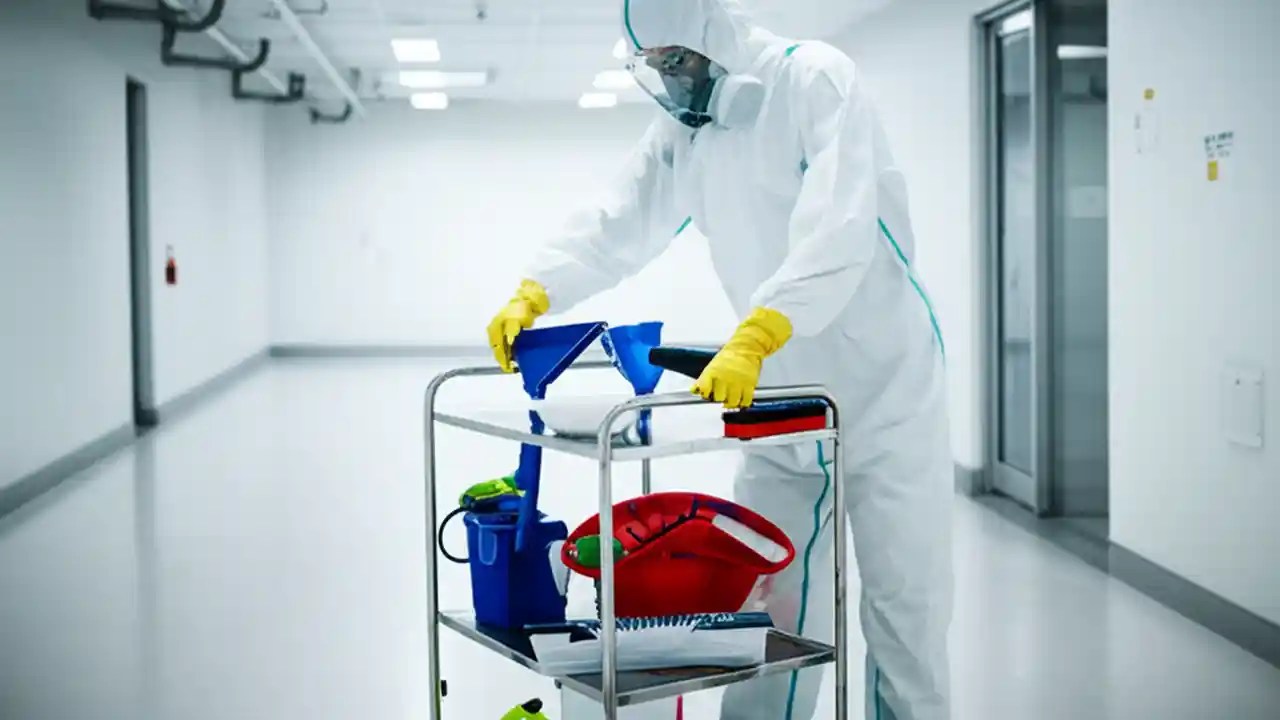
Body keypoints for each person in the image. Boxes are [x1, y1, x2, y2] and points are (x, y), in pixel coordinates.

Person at [486, 1, 953, 718]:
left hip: (885, 392)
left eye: (678, 60)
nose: (671, 84)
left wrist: (762, 329)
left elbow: (841, 224)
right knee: (763, 607)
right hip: (779, 401)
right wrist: (538, 288)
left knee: (904, 610)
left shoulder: (815, 80)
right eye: (656, 68)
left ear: (716, 39)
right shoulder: (684, 132)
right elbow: (621, 217)